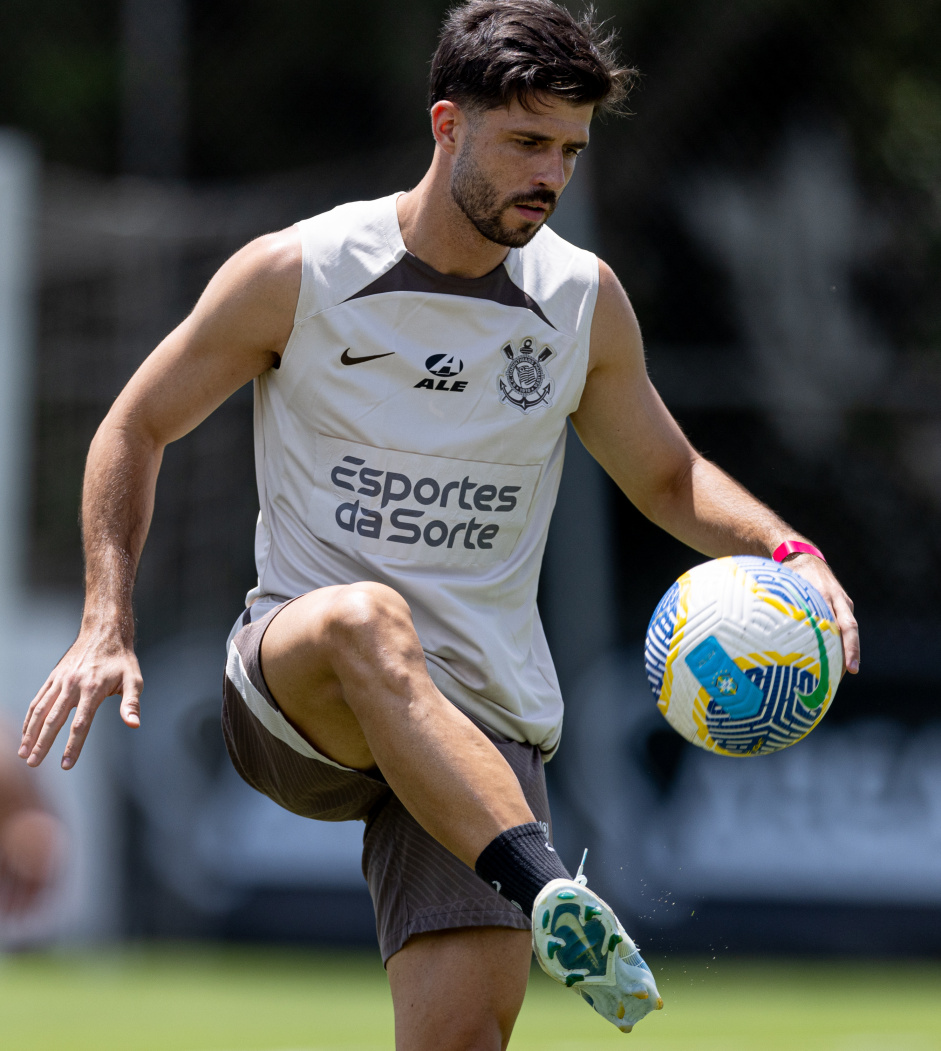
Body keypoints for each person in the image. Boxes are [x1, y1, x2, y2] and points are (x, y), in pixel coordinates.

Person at [18, 1, 860, 1046]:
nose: (549, 175)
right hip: (300, 695)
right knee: (364, 621)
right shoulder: (300, 272)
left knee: (458, 1042)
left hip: (474, 722)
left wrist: (789, 551)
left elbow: (667, 475)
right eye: (524, 143)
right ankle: (552, 892)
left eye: (567, 149)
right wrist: (107, 618)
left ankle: (528, 883)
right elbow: (134, 424)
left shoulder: (579, 299)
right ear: (446, 124)